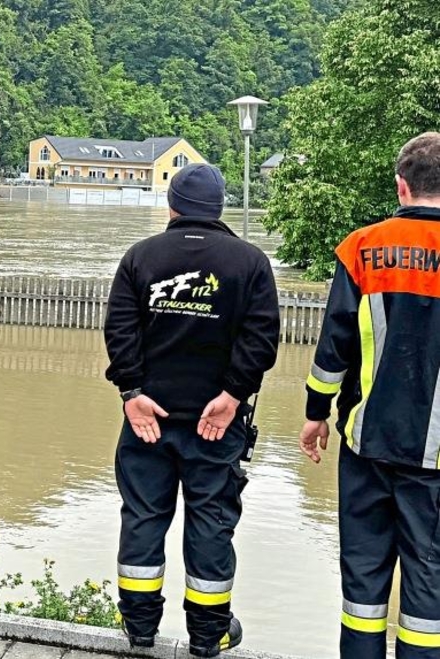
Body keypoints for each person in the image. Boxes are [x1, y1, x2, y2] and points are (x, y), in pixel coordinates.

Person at [104, 164, 280, 657]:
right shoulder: (249, 262)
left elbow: (120, 331)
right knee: (210, 521)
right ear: (220, 207)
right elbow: (261, 339)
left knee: (143, 515)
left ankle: (139, 629)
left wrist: (132, 392)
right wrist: (231, 395)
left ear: (172, 205)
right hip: (215, 426)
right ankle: (209, 636)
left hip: (146, 423)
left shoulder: (141, 257)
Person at [300, 132, 440, 659]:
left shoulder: (361, 248)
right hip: (435, 458)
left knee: (362, 587)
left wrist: (316, 416)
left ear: (401, 185)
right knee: (429, 589)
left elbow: (332, 348)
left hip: (365, 444)